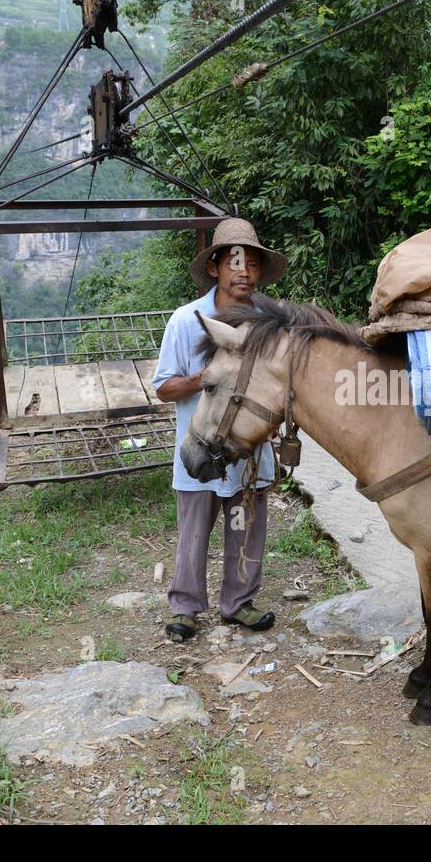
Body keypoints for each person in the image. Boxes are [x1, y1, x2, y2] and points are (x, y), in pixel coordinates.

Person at [150, 218, 287, 641]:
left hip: (249, 450)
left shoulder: (269, 322)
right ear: (214, 268)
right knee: (193, 532)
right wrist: (205, 379)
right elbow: (163, 388)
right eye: (233, 262)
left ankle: (239, 603)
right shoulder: (185, 321)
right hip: (200, 449)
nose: (243, 271)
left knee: (246, 527)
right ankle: (187, 606)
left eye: (251, 263)